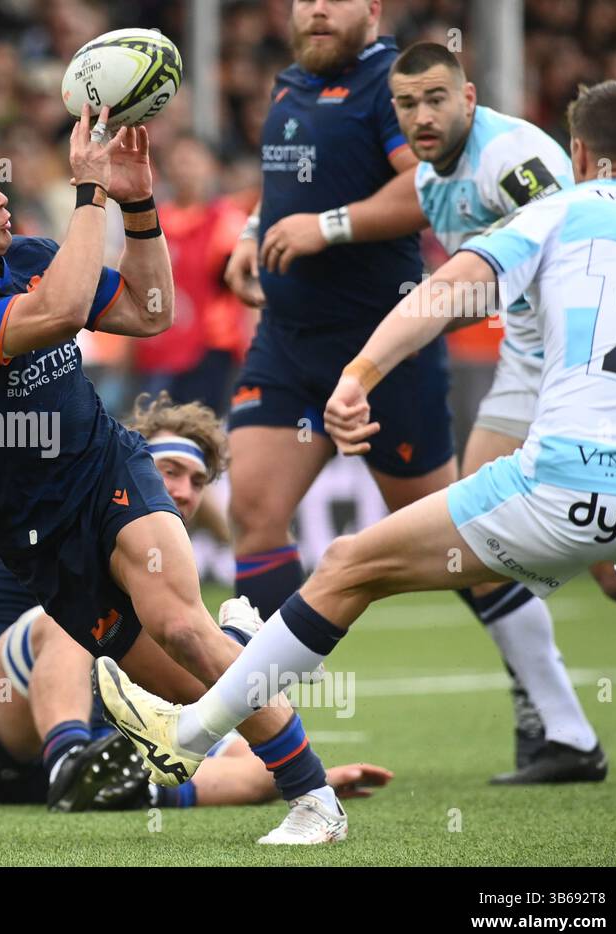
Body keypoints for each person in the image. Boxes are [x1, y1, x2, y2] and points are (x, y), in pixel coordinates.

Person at [96, 81, 616, 800]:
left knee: (348, 566)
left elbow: (445, 291)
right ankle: (567, 729)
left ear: (579, 153)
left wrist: (359, 374)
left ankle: (193, 734)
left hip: (563, 481)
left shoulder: (557, 210)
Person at [0, 104, 350, 844]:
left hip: (108, 468)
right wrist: (89, 191)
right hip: (42, 534)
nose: (0, 196)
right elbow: (63, 309)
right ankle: (247, 694)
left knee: (182, 629)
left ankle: (314, 799)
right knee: (192, 689)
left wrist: (134, 202)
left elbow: (149, 311)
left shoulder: (27, 256)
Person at [260, 41, 614, 784]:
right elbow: (476, 285)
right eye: (406, 104)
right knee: (480, 541)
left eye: (435, 100)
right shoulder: (429, 173)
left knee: (610, 568)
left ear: (470, 98)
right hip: (527, 354)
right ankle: (566, 733)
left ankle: (564, 729)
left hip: (577, 358)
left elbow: (577, 260)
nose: (421, 116)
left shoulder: (513, 160)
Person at [0, 392, 393, 811]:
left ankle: (116, 786)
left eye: (198, 482)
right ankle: (69, 761)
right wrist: (249, 646)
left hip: (64, 768)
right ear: (128, 464)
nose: (184, 492)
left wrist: (310, 776)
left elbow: (228, 727)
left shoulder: (166, 583)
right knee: (75, 624)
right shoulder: (71, 515)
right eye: (169, 472)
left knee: (254, 769)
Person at [221, 1, 451, 638]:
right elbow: (290, 184)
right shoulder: (291, 81)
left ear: (373, 8)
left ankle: (549, 705)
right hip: (287, 342)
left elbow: (426, 189)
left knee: (453, 542)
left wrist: (326, 228)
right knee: (255, 511)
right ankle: (263, 717)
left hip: (381, 344)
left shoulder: (396, 83)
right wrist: (252, 232)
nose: (317, 9)